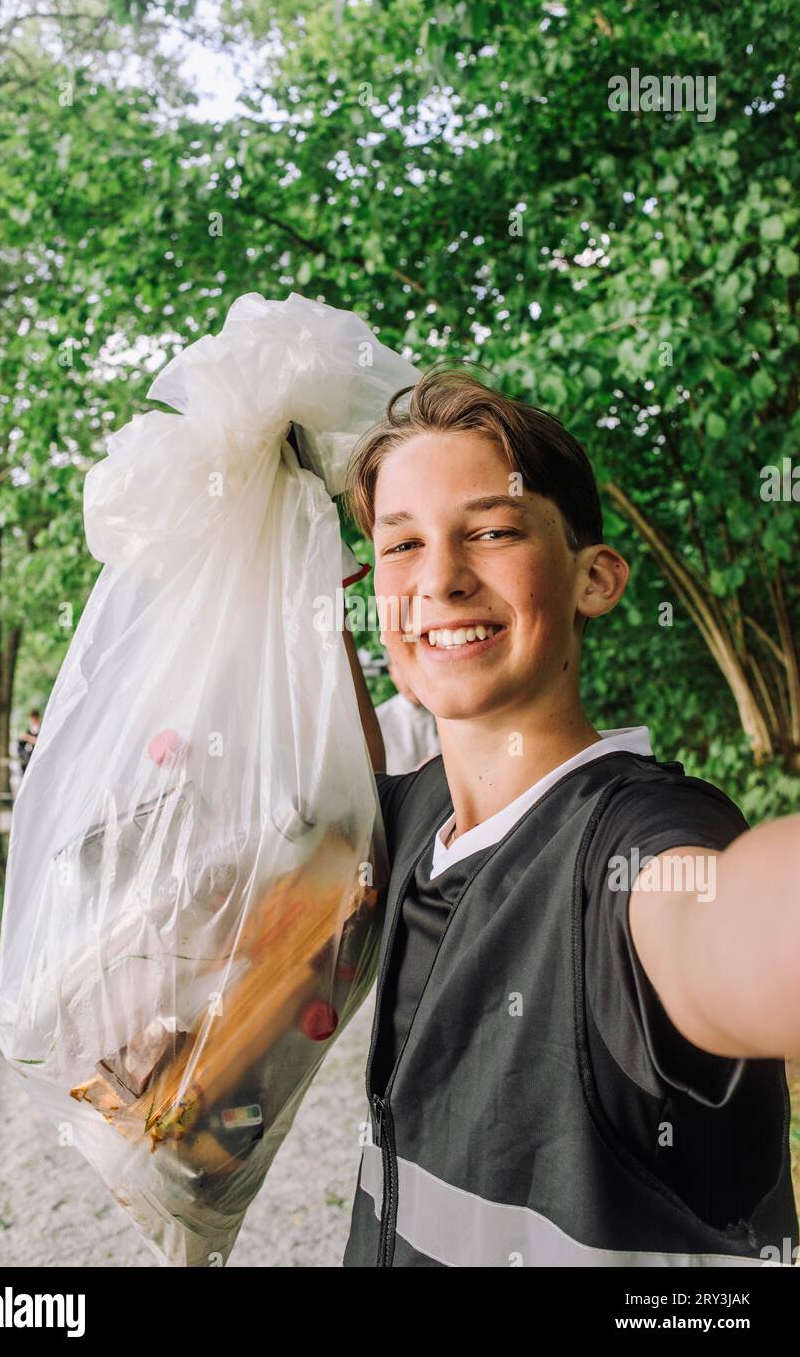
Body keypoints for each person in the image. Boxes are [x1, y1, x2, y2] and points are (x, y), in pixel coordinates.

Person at [337, 365, 799, 1268]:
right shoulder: (420, 811)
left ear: (597, 578)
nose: (441, 578)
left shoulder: (635, 845)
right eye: (401, 546)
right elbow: (311, 756)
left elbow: (729, 926)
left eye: (495, 530)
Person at [375, 659, 441, 775]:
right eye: (401, 670)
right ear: (392, 673)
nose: (412, 680)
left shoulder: (450, 711)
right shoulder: (378, 722)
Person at [16, 708, 41, 777]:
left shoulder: (42, 730)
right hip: (28, 760)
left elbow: (40, 743)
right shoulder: (28, 731)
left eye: (35, 719)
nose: (33, 721)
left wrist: (27, 738)